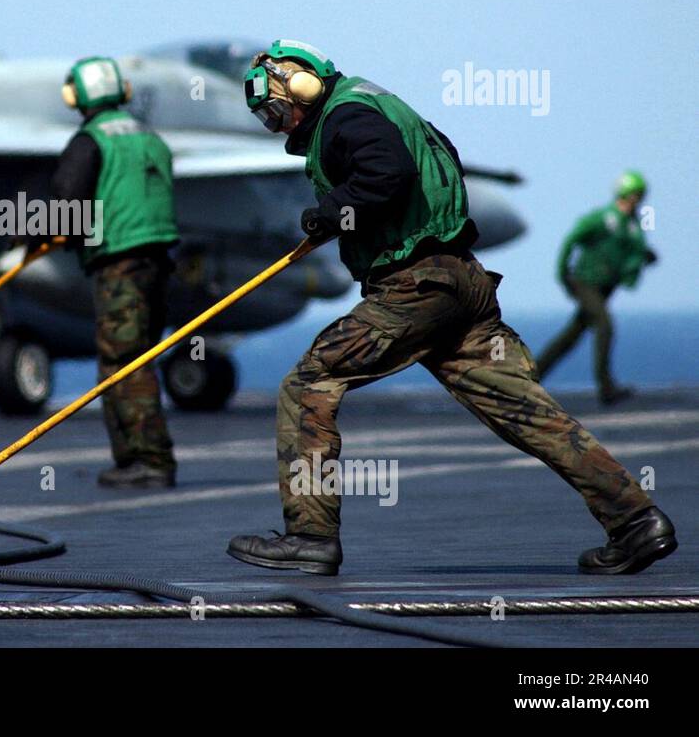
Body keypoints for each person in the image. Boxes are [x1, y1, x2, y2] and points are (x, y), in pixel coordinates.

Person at [226, 40, 675, 576]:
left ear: (302, 84)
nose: (278, 125)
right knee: (527, 413)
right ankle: (636, 521)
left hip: (414, 289)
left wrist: (334, 212)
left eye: (277, 110)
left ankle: (309, 536)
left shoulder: (346, 116)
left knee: (308, 383)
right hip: (461, 282)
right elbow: (438, 166)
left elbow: (385, 175)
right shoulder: (380, 105)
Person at [50, 56, 180, 488]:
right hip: (159, 260)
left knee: (123, 362)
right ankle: (136, 459)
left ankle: (149, 461)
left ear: (76, 95)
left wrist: (33, 237)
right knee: (142, 354)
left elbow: (67, 204)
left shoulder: (90, 141)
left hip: (119, 263)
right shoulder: (150, 136)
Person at [535, 172, 657, 404]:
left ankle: (531, 377)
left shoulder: (632, 225)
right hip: (585, 283)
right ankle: (606, 387)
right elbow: (572, 239)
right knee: (604, 325)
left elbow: (631, 251)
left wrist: (645, 257)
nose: (638, 200)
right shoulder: (603, 219)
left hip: (605, 288)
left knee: (570, 336)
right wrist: (563, 274)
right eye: (635, 195)